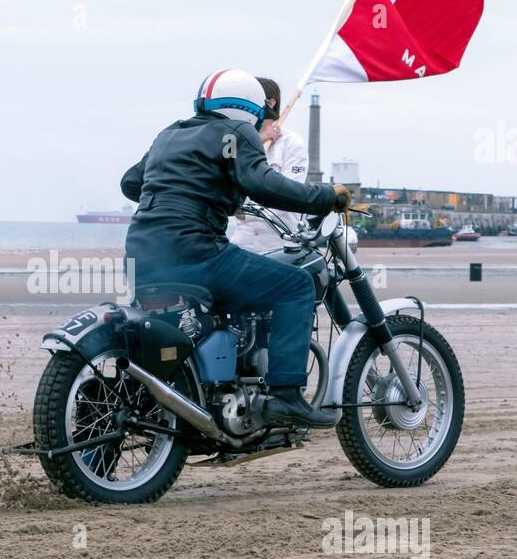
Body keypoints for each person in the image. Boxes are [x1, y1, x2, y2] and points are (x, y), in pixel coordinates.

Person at [121, 70, 353, 428]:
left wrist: (198, 192)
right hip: (198, 255)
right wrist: (326, 197)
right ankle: (285, 396)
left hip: (141, 258)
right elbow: (262, 184)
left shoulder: (170, 133)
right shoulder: (238, 131)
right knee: (296, 286)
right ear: (250, 108)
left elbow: (131, 183)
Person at [227, 76, 311, 254]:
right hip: (243, 239)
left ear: (270, 103)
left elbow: (288, 195)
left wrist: (241, 209)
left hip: (280, 242)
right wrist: (255, 141)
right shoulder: (236, 140)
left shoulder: (292, 144)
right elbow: (221, 179)